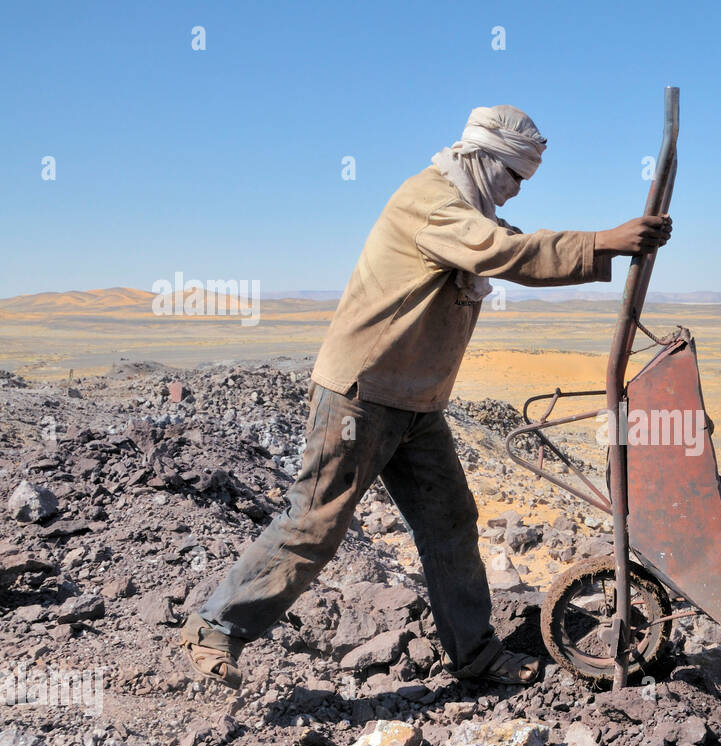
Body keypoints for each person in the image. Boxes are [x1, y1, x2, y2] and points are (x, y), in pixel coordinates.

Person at [179, 105, 672, 690]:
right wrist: (606, 241)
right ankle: (215, 628)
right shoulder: (432, 201)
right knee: (316, 521)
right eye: (513, 177)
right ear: (486, 160)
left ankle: (474, 654)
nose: (514, 193)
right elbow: (504, 254)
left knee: (449, 521)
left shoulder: (465, 209)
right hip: (363, 396)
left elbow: (510, 243)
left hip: (416, 401)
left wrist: (606, 247)